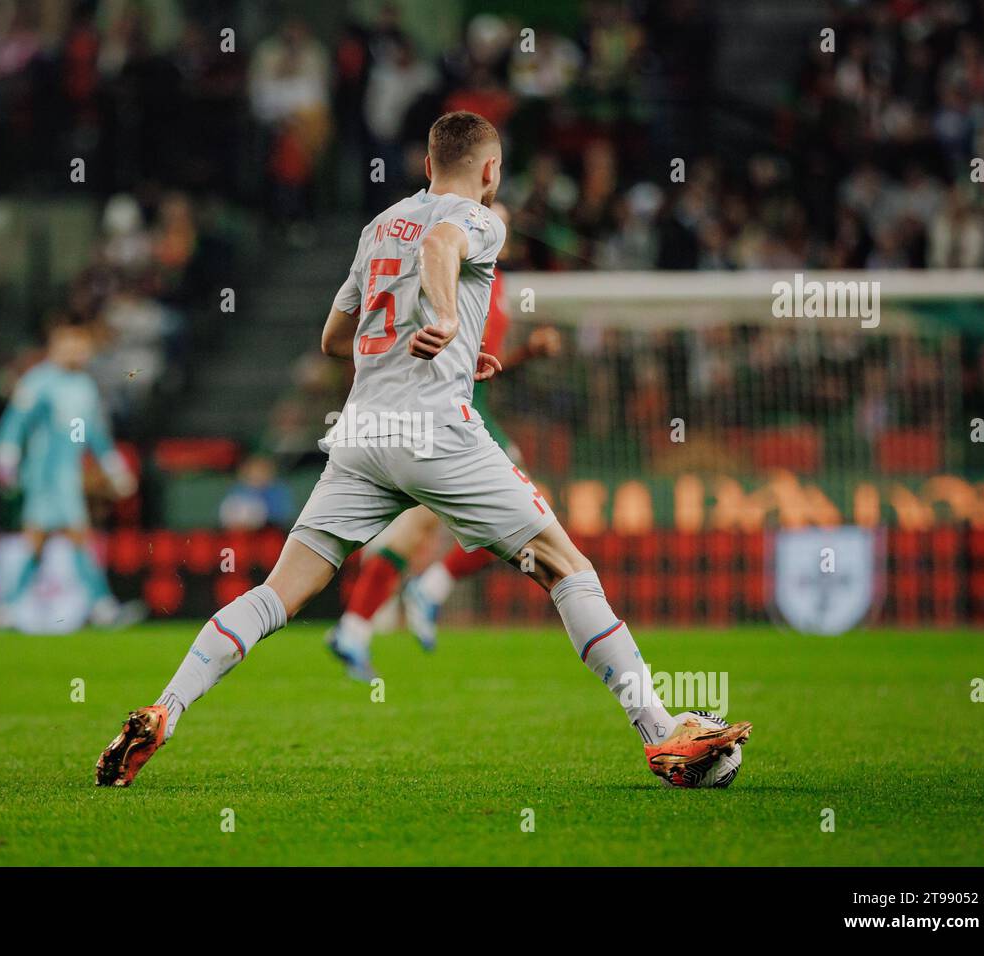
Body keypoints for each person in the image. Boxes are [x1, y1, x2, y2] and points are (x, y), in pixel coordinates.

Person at [96, 111, 750, 789]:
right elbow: (441, 245)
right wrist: (442, 318)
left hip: (362, 433)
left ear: (427, 163)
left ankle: (165, 707)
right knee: (564, 566)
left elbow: (331, 340)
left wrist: (457, 352)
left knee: (277, 594)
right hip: (434, 430)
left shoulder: (377, 226)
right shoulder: (480, 218)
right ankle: (662, 733)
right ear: (489, 170)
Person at [326, 202, 562, 679]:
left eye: (504, 225)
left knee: (418, 525)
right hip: (447, 410)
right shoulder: (450, 271)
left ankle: (355, 627)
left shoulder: (496, 283)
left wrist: (521, 355)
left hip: (461, 404)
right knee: (531, 509)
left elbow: (480, 363)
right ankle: (429, 588)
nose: (497, 231)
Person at [0, 321, 145, 630]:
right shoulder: (38, 381)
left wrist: (114, 467)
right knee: (70, 537)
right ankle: (101, 607)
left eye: (81, 346)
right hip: (44, 476)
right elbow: (16, 421)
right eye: (71, 345)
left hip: (68, 476)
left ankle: (7, 608)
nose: (78, 352)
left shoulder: (84, 387)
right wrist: (6, 457)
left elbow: (96, 434)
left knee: (42, 541)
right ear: (56, 347)